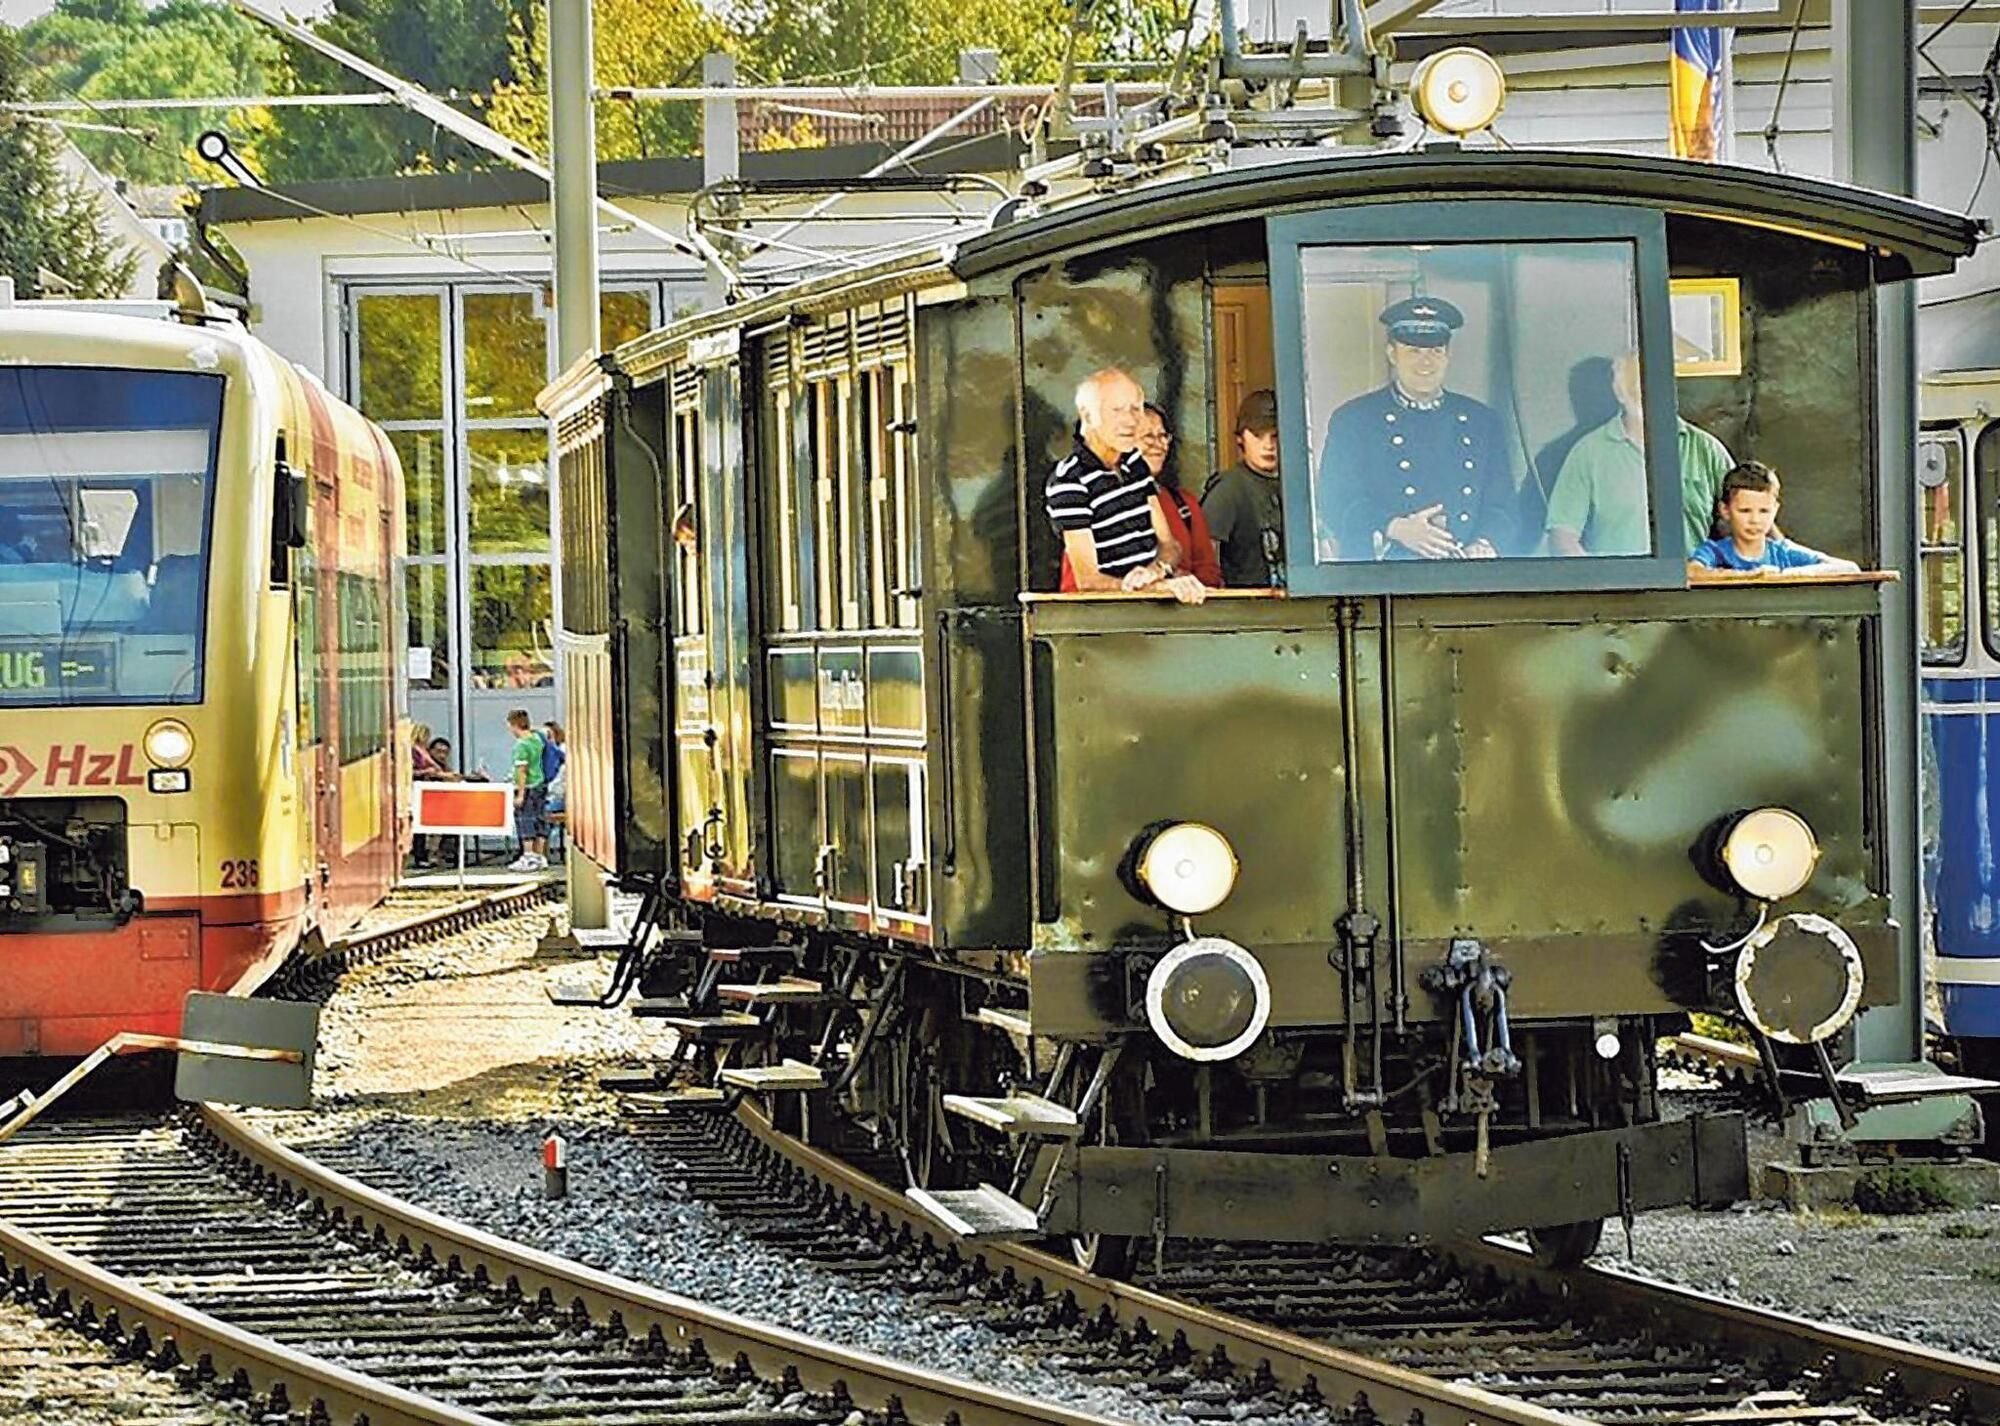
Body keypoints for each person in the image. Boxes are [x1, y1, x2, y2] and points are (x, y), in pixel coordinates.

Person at [1317, 296, 1515, 561]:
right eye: (1413, 351)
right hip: (1386, 572)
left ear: (1447, 356)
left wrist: (1484, 544)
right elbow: (1336, 500)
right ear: (1392, 354)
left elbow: (1503, 506)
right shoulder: (1355, 420)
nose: (1426, 363)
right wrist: (1396, 528)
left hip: (1464, 569)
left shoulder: (1482, 421)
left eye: (1436, 351)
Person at [1545, 350, 1734, 558]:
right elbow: (1562, 537)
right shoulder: (1588, 453)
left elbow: (1748, 517)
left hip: (1691, 578)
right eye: (1638, 387)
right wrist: (1600, 576)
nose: (1649, 395)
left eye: (1657, 387)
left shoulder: (1706, 449)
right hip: (1618, 578)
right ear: (1620, 392)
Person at [1045, 368, 1207, 604]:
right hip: (1107, 617)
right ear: (1088, 415)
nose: (1130, 421)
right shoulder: (1069, 481)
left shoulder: (1135, 463)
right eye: (1117, 410)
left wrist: (1156, 570)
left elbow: (1170, 545)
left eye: (1135, 409)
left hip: (1154, 609)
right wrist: (1150, 588)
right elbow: (1088, 582)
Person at [1688, 462, 1859, 576]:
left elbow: (1849, 568)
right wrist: (1748, 577)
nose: (1755, 520)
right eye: (1745, 511)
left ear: (1775, 510)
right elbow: (1692, 572)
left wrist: (1790, 574)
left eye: (1764, 511)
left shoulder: (1783, 552)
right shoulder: (1714, 552)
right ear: (1725, 510)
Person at [1200, 389, 1285, 588]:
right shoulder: (1229, 488)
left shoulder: (1298, 486)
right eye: (1258, 435)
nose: (1268, 445)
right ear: (1241, 438)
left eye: (1275, 435)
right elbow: (1203, 553)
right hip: (1245, 600)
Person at [1136, 403, 1222, 588]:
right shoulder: (1105, 500)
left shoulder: (1184, 504)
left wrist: (1188, 584)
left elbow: (1208, 570)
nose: (1159, 445)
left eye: (1163, 436)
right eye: (1148, 436)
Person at [505, 709, 549, 872]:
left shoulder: (521, 745)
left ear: (513, 724)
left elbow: (522, 771)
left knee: (525, 820)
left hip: (528, 786)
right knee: (539, 819)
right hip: (540, 784)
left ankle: (528, 856)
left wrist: (520, 795)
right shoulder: (537, 739)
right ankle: (540, 856)